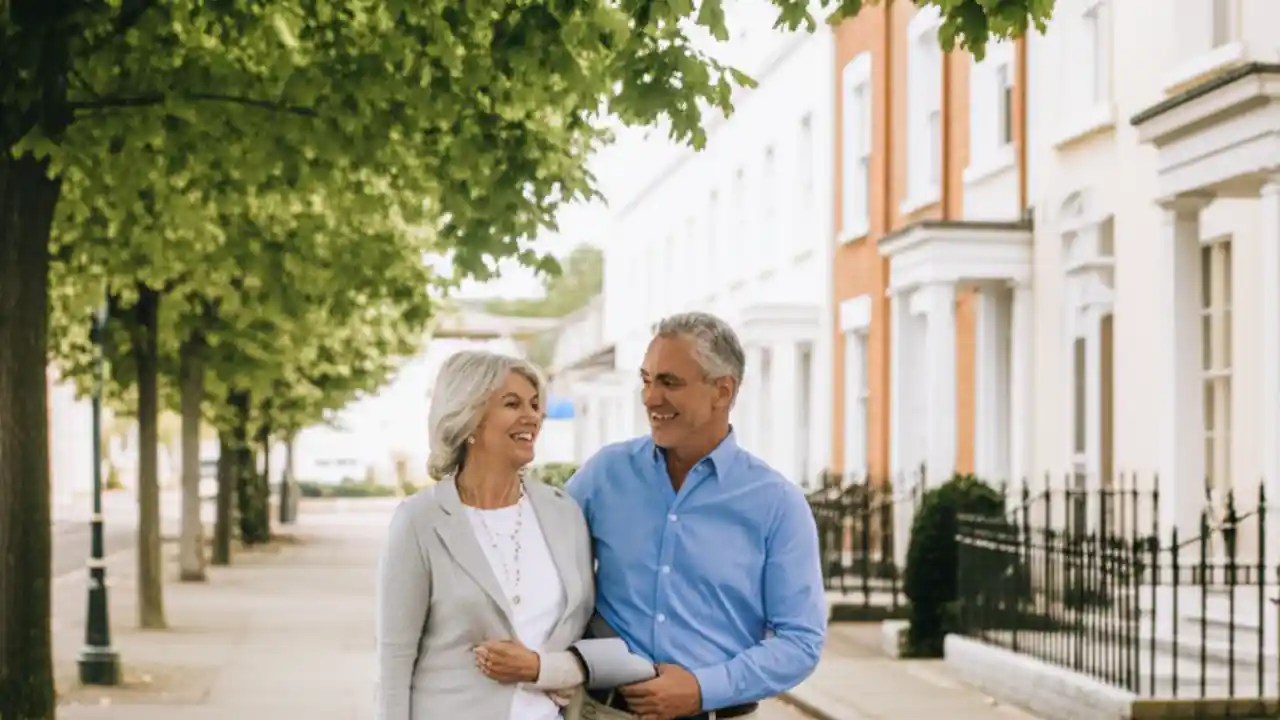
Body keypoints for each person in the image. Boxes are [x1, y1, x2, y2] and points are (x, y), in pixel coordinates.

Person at [565, 312, 828, 720]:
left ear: (722, 391)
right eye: (647, 380)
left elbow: (800, 641)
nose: (651, 398)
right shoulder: (604, 476)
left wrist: (702, 689)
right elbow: (540, 569)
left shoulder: (777, 504)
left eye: (669, 382)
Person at [376, 350, 652, 720]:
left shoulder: (562, 512)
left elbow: (586, 627)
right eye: (513, 403)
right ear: (469, 418)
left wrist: (552, 668)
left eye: (536, 404)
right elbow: (394, 659)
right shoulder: (419, 521)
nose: (533, 416)